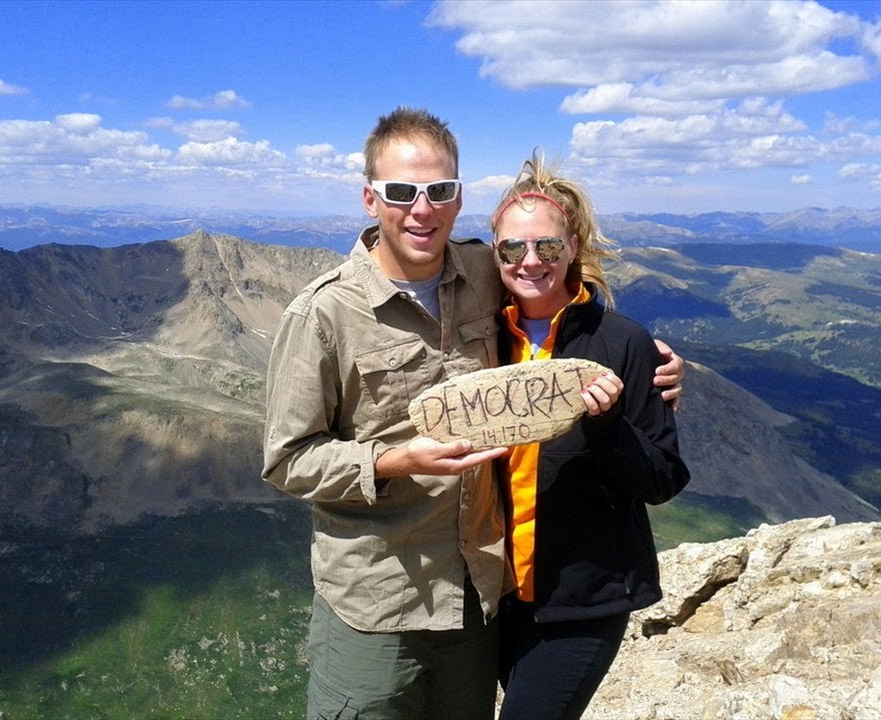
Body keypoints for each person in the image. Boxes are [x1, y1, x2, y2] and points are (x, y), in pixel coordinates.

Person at [261, 107, 685, 720]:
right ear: (369, 198)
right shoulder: (323, 315)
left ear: (458, 199)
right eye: (401, 191)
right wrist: (393, 460)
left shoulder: (487, 273)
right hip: (378, 600)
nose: (421, 208)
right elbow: (287, 458)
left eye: (439, 191)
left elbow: (556, 288)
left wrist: (655, 362)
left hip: (476, 598)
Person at [490, 152, 691, 720]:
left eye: (548, 247)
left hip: (582, 601)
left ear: (572, 246)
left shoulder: (622, 342)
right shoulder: (478, 334)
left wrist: (607, 425)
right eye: (513, 248)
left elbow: (662, 478)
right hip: (493, 595)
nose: (531, 261)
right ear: (495, 253)